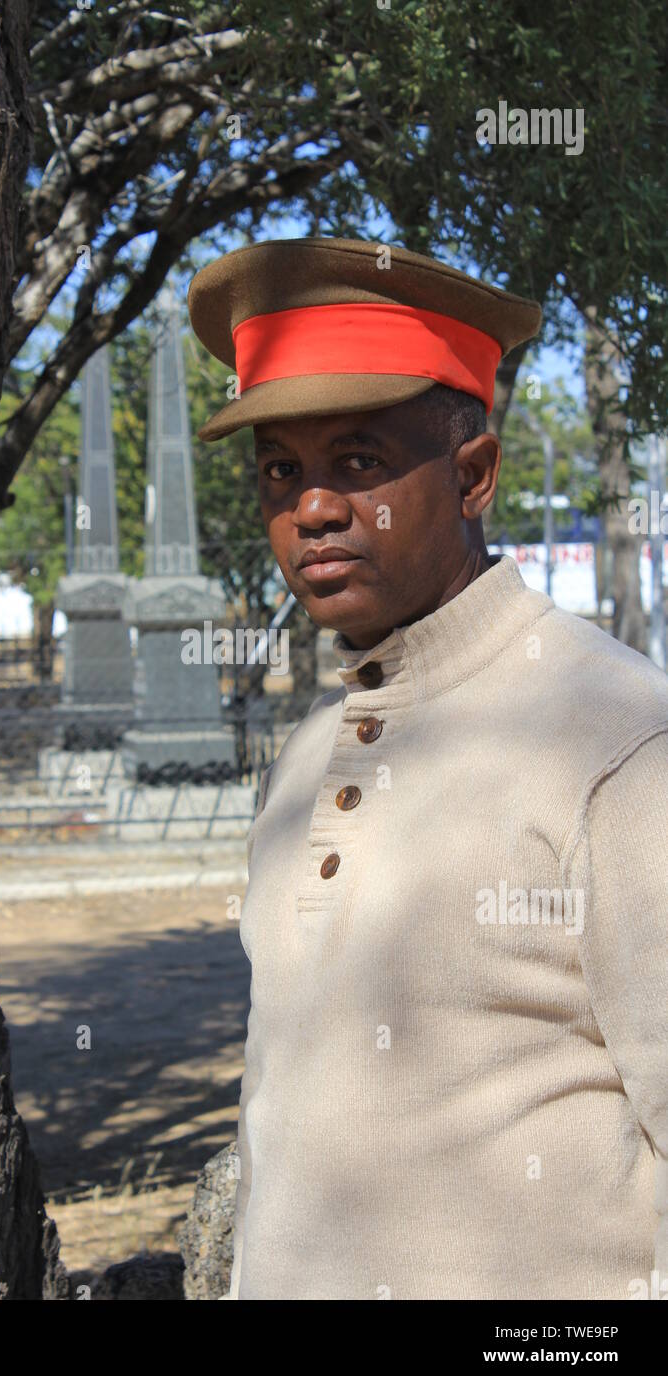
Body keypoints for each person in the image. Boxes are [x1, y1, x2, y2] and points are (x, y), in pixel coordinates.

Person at [186, 237, 668, 1300]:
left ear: (472, 475)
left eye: (357, 463)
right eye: (281, 469)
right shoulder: (309, 754)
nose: (311, 507)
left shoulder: (615, 740)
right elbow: (275, 1115)